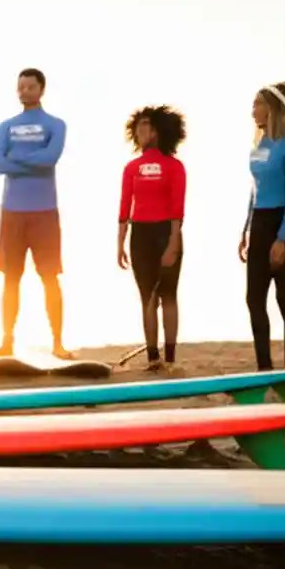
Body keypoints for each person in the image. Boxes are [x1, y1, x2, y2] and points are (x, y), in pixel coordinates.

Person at [0, 67, 72, 359]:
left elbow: (50, 158)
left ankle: (57, 342)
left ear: (41, 89)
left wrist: (17, 158)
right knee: (11, 279)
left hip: (44, 211)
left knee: (50, 277)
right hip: (12, 211)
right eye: (20, 87)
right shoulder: (6, 126)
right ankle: (6, 341)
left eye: (30, 87)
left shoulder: (55, 124)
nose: (24, 91)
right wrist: (31, 161)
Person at [239, 81, 285, 371]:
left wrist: (282, 238)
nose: (253, 110)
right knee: (254, 299)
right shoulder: (259, 147)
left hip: (284, 223)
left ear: (272, 109)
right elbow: (255, 189)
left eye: (258, 104)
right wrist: (246, 229)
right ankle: (264, 369)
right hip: (260, 222)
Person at [116, 105, 187, 371]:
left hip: (165, 232)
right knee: (147, 296)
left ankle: (171, 357)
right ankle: (153, 357)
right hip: (140, 234)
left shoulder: (175, 166)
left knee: (168, 295)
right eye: (139, 126)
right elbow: (125, 206)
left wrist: (173, 241)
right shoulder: (132, 167)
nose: (141, 130)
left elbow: (178, 207)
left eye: (147, 125)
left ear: (159, 130)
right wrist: (120, 243)